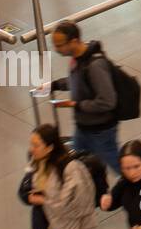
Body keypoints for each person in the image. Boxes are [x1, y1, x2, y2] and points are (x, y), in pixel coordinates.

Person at [49, 21, 121, 175]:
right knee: (77, 165)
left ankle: (140, 192)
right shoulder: (77, 59)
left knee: (121, 168)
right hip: (82, 128)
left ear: (74, 41)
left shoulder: (95, 66)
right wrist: (55, 85)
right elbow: (78, 81)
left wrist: (79, 105)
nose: (56, 50)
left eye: (60, 45)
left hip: (100, 132)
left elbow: (108, 101)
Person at [22, 125, 101, 229]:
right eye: (31, 144)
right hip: (62, 228)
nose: (31, 149)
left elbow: (78, 205)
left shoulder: (71, 169)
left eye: (36, 145)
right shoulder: (38, 164)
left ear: (49, 148)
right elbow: (25, 188)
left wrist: (43, 200)